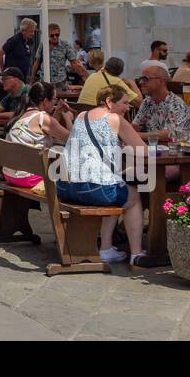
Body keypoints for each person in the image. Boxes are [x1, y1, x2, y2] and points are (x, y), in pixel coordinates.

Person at [56, 87, 146, 265]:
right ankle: (136, 253)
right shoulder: (115, 119)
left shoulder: (82, 116)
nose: (128, 107)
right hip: (93, 189)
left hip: (65, 188)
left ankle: (106, 248)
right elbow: (142, 150)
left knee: (116, 188)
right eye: (124, 103)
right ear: (109, 102)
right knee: (133, 197)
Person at [1, 81, 72, 188]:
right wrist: (68, 118)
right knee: (70, 166)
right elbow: (71, 139)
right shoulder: (42, 118)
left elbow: (50, 133)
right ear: (45, 101)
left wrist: (57, 112)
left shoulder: (22, 113)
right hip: (29, 177)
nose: (55, 102)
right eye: (54, 99)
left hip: (10, 174)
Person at [132, 64, 190, 146]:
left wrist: (136, 135)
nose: (140, 82)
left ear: (161, 81)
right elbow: (134, 127)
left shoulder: (175, 104)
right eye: (140, 79)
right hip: (158, 151)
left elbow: (167, 135)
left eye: (145, 79)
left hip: (181, 154)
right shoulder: (147, 102)